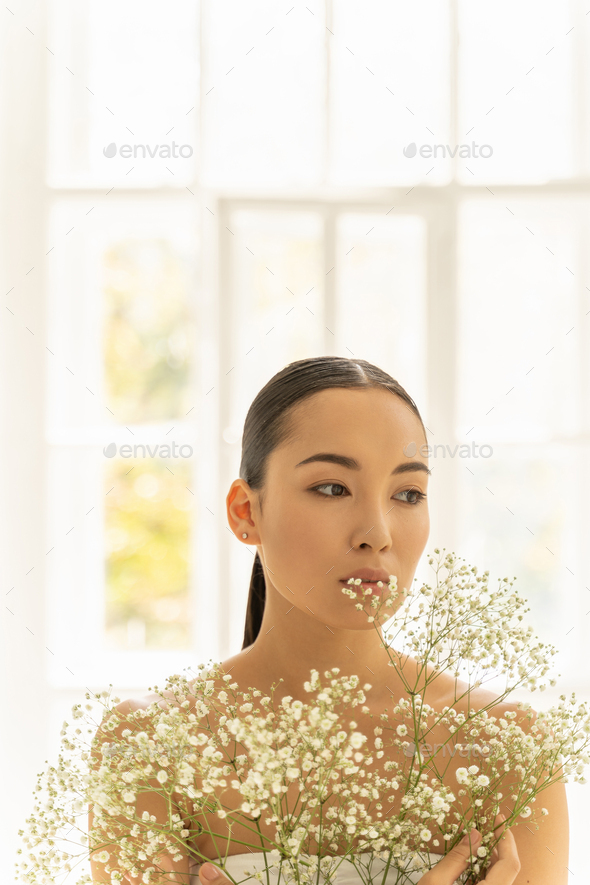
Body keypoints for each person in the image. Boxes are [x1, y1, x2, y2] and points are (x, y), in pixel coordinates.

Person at [90, 356, 568, 885]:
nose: (377, 532)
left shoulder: (502, 743)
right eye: (333, 488)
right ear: (246, 512)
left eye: (407, 494)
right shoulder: (151, 742)